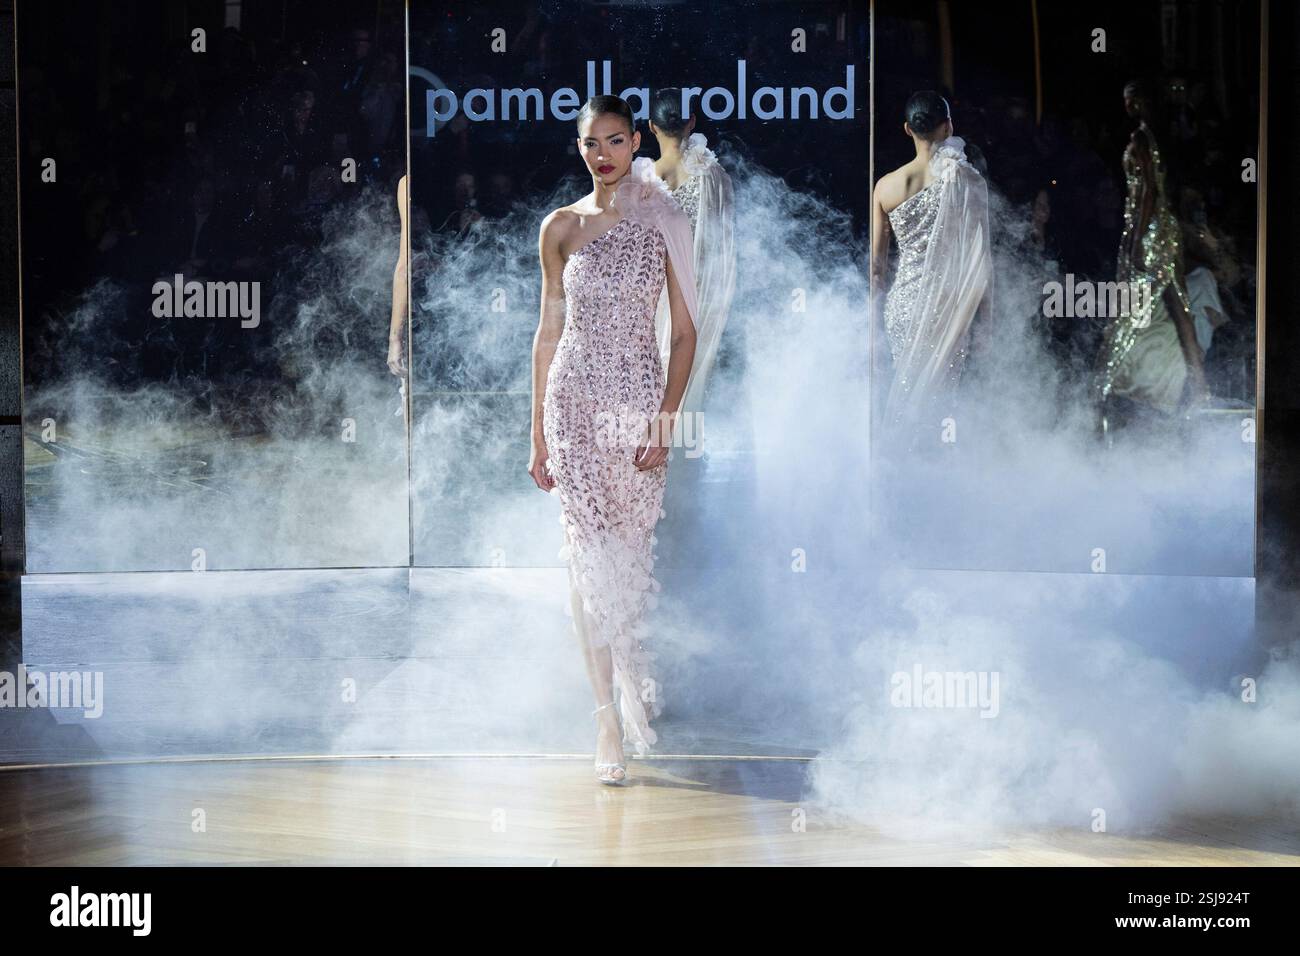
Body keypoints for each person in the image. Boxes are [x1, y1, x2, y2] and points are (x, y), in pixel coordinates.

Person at [527, 96, 699, 785]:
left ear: (636, 143)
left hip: (634, 406)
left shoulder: (664, 220)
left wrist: (665, 418)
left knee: (627, 556)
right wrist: (537, 430)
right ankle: (605, 723)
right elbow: (547, 333)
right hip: (572, 406)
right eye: (589, 143)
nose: (601, 154)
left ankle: (633, 677)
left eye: (614, 141)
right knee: (586, 559)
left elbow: (686, 332)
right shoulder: (560, 226)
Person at [871, 91, 992, 442]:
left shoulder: (886, 186)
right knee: (940, 404)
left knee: (908, 392)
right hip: (948, 308)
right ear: (948, 126)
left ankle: (901, 469)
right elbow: (981, 262)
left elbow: (877, 269)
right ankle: (931, 475)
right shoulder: (969, 182)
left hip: (902, 308)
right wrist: (987, 320)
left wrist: (873, 322)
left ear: (908, 130)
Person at [1094, 80, 1208, 428]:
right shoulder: (1157, 137)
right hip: (1163, 226)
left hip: (1152, 230)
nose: (1128, 105)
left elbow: (1146, 192)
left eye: (1132, 99)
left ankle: (1108, 384)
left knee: (1142, 307)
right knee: (1177, 304)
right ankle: (1198, 383)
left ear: (1143, 100)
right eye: (1125, 100)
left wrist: (1138, 238)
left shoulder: (1142, 139)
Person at [648, 88, 737, 415]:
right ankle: (682, 456)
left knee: (652, 383)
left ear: (652, 127)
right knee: (689, 388)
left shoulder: (639, 182)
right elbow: (724, 249)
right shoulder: (715, 176)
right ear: (692, 123)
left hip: (651, 297)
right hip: (699, 296)